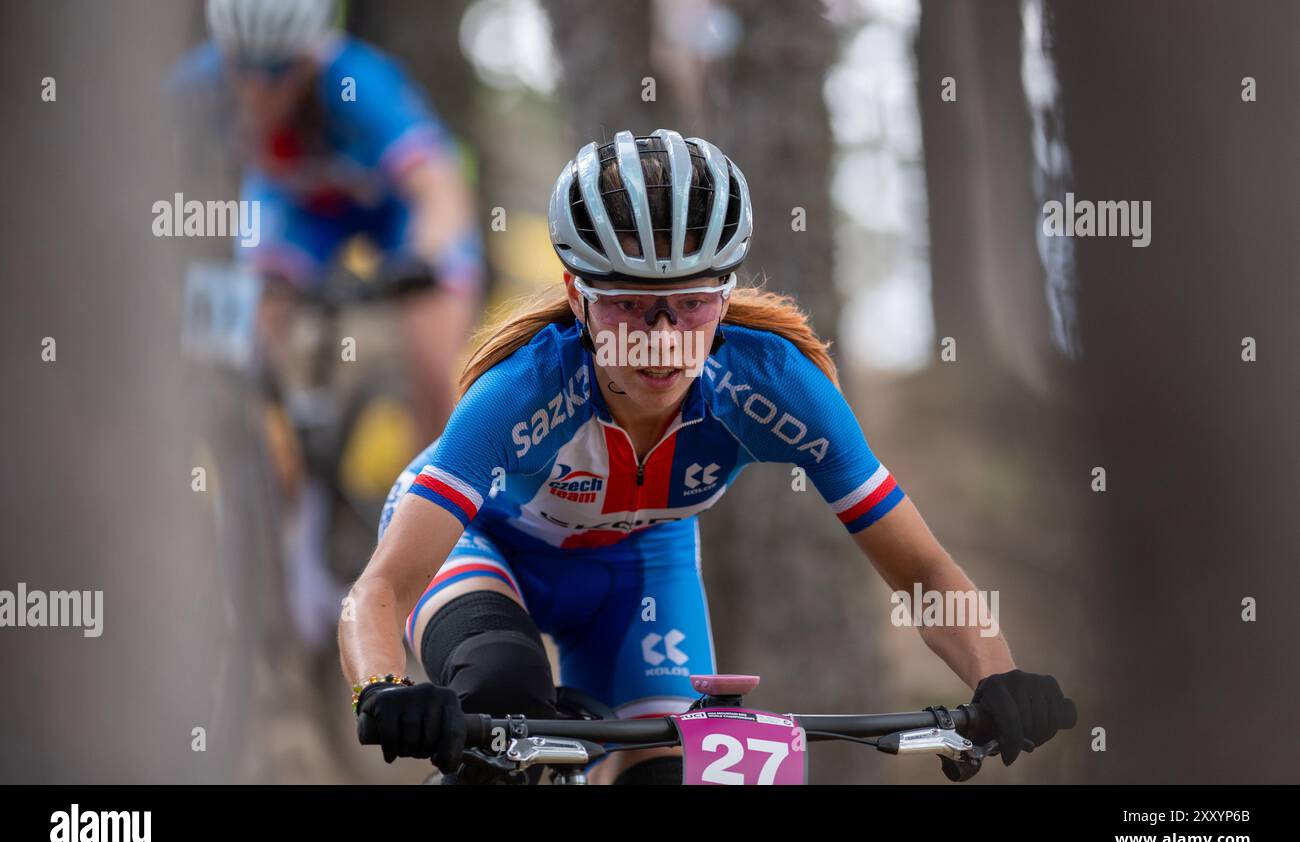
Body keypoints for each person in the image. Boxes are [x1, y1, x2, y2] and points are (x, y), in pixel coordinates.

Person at [340, 129, 1074, 784]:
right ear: (576, 294)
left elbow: (922, 573)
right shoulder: (521, 391)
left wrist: (998, 679)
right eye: (627, 304)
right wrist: (383, 690)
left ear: (725, 296)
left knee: (668, 779)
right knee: (503, 696)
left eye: (690, 302)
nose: (661, 337)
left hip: (640, 568)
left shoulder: (778, 384)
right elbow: (376, 594)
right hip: (483, 546)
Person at [170, 0, 484, 649]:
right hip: (302, 215)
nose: (258, 90)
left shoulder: (359, 82)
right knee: (233, 335)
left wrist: (424, 261)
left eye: (277, 70)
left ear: (312, 52)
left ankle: (438, 559)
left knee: (437, 366)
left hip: (401, 210)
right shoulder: (202, 81)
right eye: (241, 69)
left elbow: (437, 187)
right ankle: (274, 495)